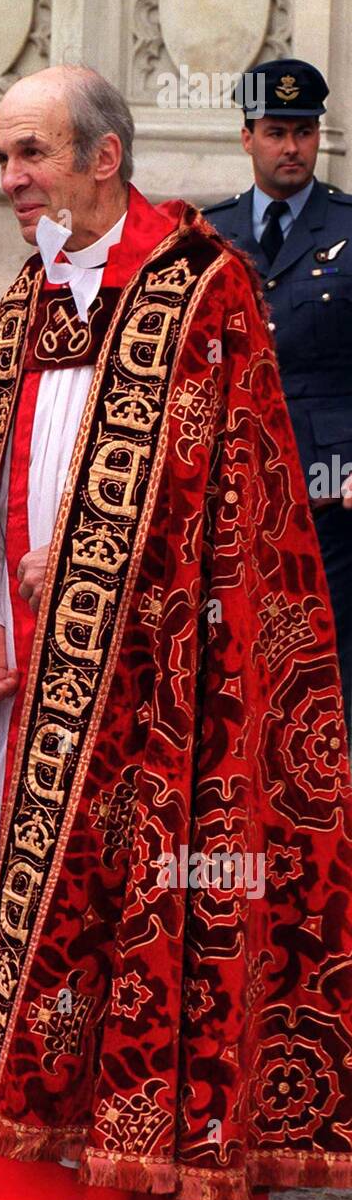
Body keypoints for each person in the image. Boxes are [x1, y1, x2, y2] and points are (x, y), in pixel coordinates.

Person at [0, 66, 352, 1200]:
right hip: (31, 705)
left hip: (168, 711)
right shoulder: (22, 297)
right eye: (1, 157)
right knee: (37, 934)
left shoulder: (201, 289)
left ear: (102, 157)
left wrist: (122, 610)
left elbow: (240, 510)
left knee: (133, 940)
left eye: (28, 155)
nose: (6, 180)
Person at [203, 59, 352, 733]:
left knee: (329, 648)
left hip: (332, 480)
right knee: (240, 640)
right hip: (234, 475)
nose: (291, 147)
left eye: (304, 132)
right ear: (246, 137)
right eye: (275, 131)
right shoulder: (211, 235)